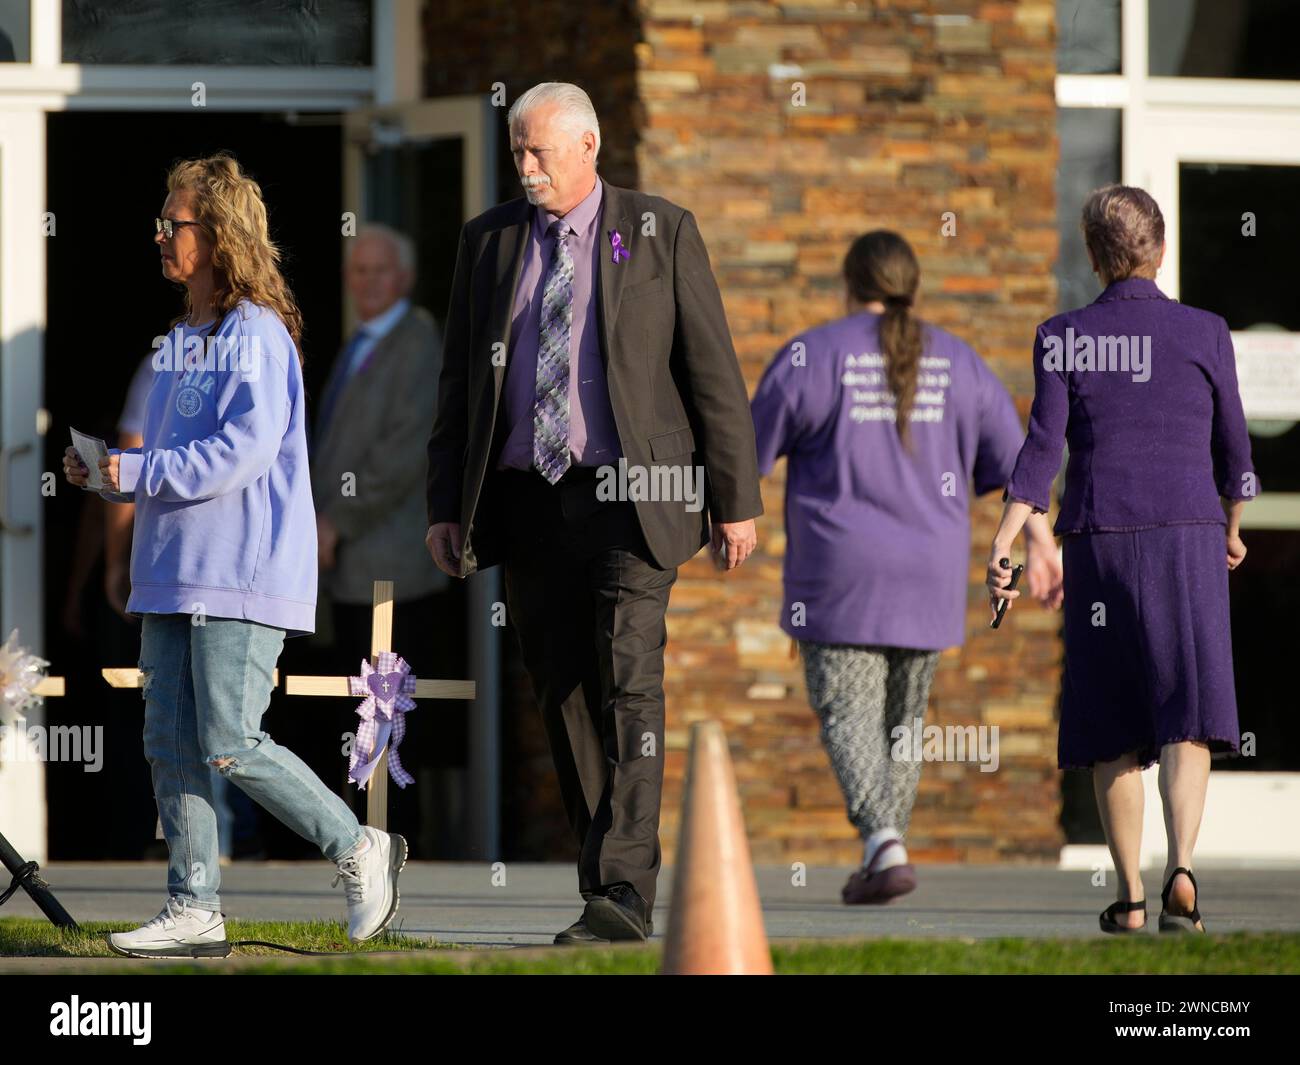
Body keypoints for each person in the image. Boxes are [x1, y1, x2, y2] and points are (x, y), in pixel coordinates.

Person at [425, 82, 763, 944]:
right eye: (517, 152)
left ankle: (621, 888)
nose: (526, 167)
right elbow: (460, 383)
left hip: (633, 500)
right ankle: (605, 876)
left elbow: (712, 373)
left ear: (588, 147)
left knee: (629, 683)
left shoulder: (661, 231)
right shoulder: (488, 241)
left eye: (539, 151)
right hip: (529, 499)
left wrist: (735, 500)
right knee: (563, 690)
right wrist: (445, 504)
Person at [62, 152, 404, 958]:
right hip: (172, 573)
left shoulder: (253, 332)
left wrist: (137, 470)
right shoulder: (183, 335)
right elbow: (175, 459)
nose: (159, 236)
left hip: (239, 576)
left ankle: (358, 846)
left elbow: (241, 453)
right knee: (169, 741)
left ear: (215, 236)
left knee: (230, 739)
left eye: (172, 224)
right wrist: (108, 475)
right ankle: (193, 904)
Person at [752, 230, 1061, 904]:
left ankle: (883, 840)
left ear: (848, 282)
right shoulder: (959, 360)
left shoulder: (813, 354)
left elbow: (744, 453)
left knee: (847, 709)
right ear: (912, 286)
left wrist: (721, 521)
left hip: (840, 571)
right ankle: (883, 846)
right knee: (904, 719)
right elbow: (1019, 467)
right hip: (932, 570)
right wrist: (1043, 541)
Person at [987, 184, 1255, 934]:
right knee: (1187, 713)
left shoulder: (1062, 335)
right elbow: (1236, 450)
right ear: (1159, 249)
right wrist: (1232, 525)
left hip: (1102, 537)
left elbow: (1041, 451)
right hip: (1188, 535)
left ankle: (1130, 896)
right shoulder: (1206, 331)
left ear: (1096, 259)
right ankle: (1183, 870)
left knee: (1112, 722)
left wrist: (1005, 541)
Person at [311, 225, 463, 852]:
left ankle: (397, 843)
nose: (365, 282)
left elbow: (402, 455)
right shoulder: (361, 343)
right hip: (350, 566)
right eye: (357, 270)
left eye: (378, 271)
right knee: (358, 711)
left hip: (391, 565)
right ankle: (361, 841)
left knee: (390, 714)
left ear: (404, 276)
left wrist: (337, 520)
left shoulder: (417, 342)